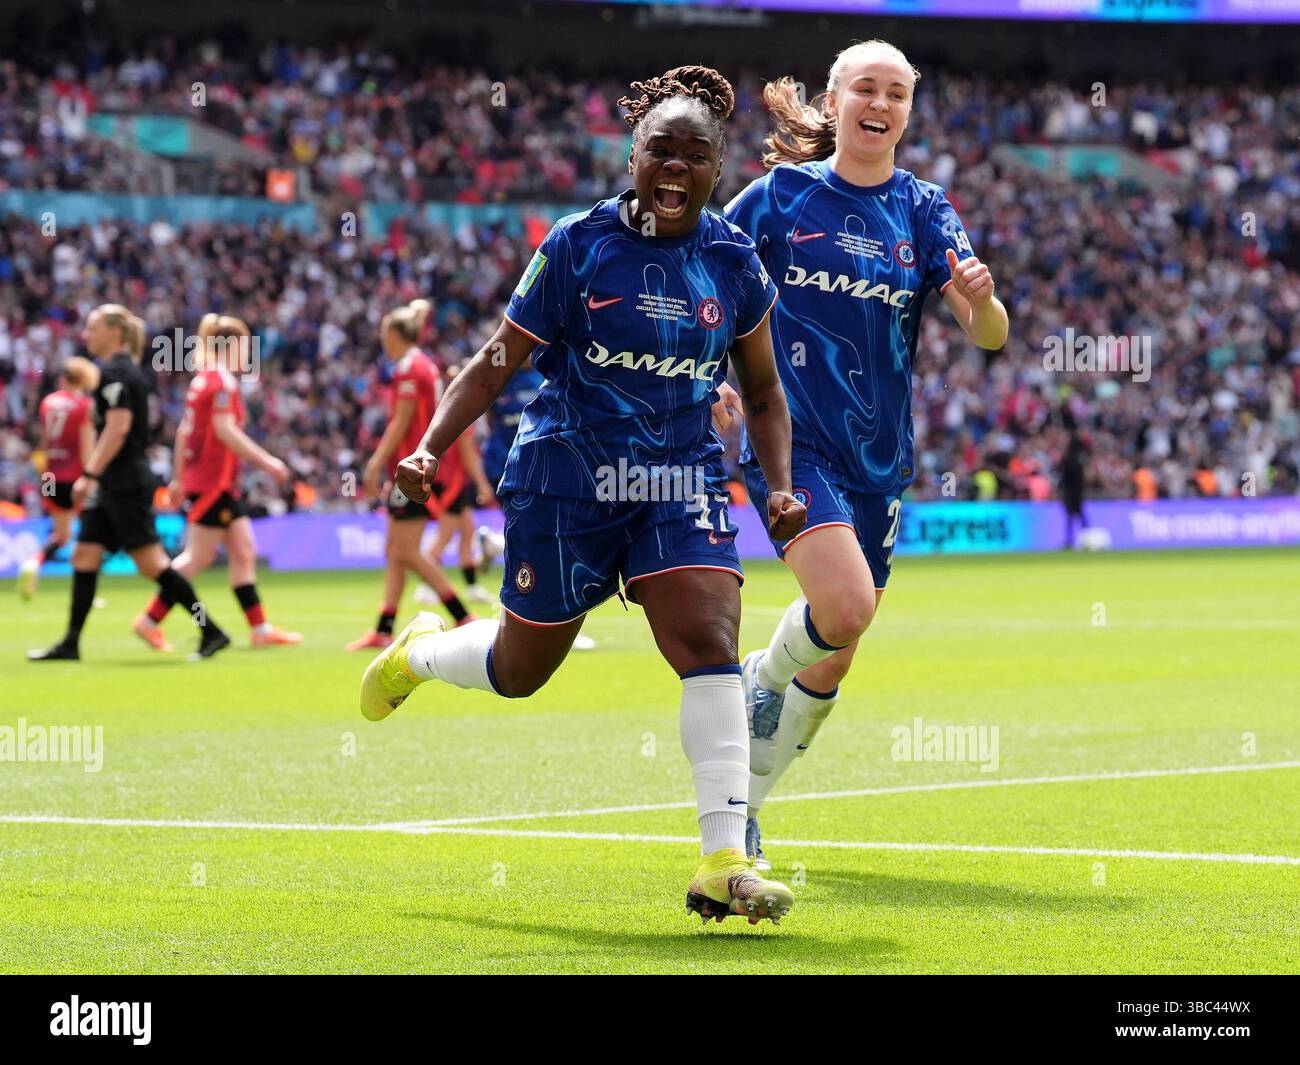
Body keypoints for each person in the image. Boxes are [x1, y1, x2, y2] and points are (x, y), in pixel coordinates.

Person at [360, 66, 805, 924]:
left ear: (720, 170)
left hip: (679, 477)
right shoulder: (578, 243)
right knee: (521, 670)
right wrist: (427, 448)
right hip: (568, 477)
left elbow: (762, 392)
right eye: (660, 151)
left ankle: (723, 857)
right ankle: (418, 652)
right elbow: (499, 358)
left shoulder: (732, 258)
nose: (675, 170)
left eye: (696, 156)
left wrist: (777, 487)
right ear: (632, 154)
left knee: (711, 639)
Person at [721, 40, 1009, 868]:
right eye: (866, 90)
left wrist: (982, 302)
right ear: (836, 98)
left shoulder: (922, 209)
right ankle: (761, 679)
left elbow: (988, 334)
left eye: (897, 94)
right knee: (844, 609)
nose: (880, 104)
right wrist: (714, 378)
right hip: (792, 439)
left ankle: (748, 805)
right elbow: (706, 273)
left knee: (839, 651)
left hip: (878, 455)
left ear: (907, 113)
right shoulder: (778, 197)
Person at [28, 305, 230, 661]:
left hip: (124, 481)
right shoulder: (121, 372)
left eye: (93, 328)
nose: (86, 335)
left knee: (151, 563)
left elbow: (118, 428)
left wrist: (89, 473)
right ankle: (71, 643)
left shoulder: (116, 373)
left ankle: (210, 630)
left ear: (115, 333)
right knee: (84, 554)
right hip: (114, 481)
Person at [131, 314, 302, 651]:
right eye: (243, 346)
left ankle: (260, 629)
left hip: (209, 481)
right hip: (213, 482)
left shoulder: (201, 380)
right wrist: (267, 462)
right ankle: (148, 621)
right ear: (230, 345)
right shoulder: (222, 382)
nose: (246, 354)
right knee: (198, 558)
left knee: (242, 550)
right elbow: (225, 432)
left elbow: (183, 431)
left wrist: (180, 478)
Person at [346, 300, 476, 651]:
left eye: (384, 331)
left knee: (406, 551)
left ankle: (462, 615)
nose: (381, 337)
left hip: (412, 469)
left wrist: (376, 462)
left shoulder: (408, 367)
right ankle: (384, 629)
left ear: (393, 333)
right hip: (417, 468)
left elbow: (401, 422)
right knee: (395, 550)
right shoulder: (424, 365)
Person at [18, 357, 99, 599]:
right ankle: (85, 591)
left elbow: (43, 442)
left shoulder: (47, 403)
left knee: (61, 535)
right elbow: (86, 448)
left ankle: (34, 561)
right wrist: (91, 476)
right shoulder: (84, 405)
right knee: (89, 537)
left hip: (51, 476)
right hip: (75, 476)